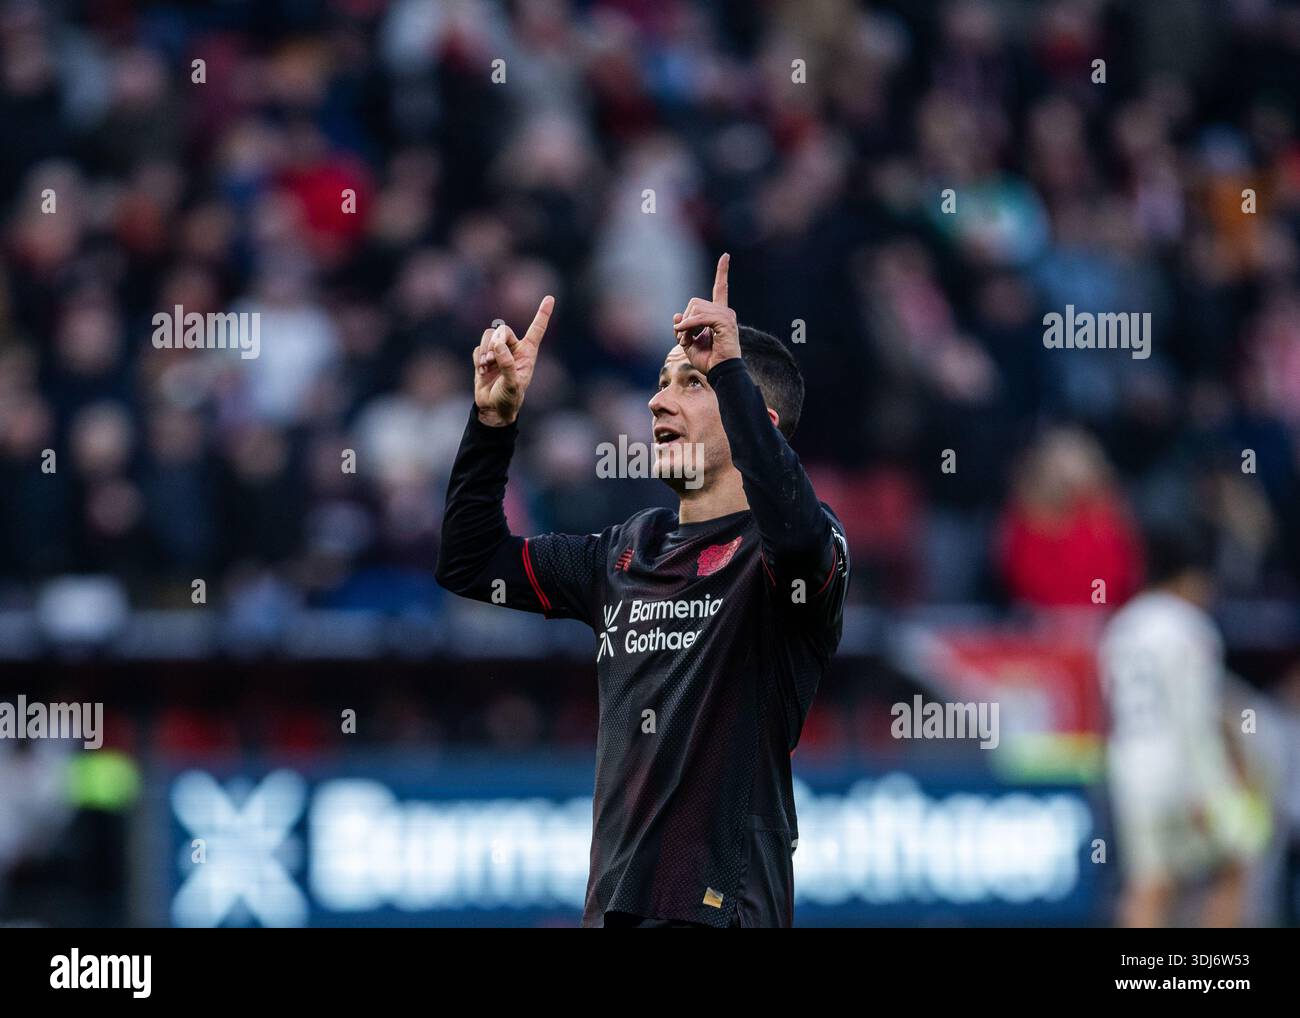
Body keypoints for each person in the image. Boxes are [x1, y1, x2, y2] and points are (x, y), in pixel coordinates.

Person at [435, 255, 849, 927]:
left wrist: (730, 370)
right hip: (615, 912)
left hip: (724, 912)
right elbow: (469, 561)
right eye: (660, 382)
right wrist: (493, 424)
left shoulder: (795, 555)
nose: (657, 400)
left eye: (691, 383)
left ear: (756, 418)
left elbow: (796, 534)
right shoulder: (624, 551)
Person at [1098, 524, 1269, 927]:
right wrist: (1213, 786)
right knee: (1236, 862)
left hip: (1131, 768)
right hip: (1179, 768)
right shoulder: (1189, 626)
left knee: (1149, 883)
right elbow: (1194, 719)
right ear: (1189, 577)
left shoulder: (1122, 625)